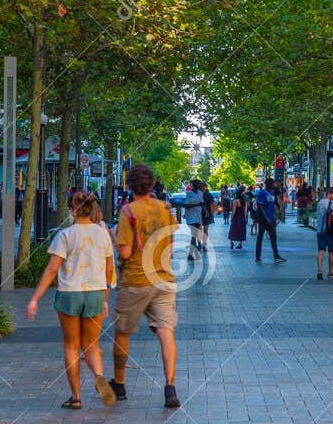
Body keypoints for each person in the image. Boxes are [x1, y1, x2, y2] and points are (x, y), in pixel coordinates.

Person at [27, 189, 116, 410]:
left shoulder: (65, 235)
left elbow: (51, 270)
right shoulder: (102, 233)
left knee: (71, 346)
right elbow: (109, 269)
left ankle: (76, 397)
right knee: (92, 345)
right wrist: (105, 297)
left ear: (72, 209)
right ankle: (99, 375)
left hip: (70, 294)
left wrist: (35, 298)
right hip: (95, 292)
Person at [112, 164, 182, 409]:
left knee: (123, 332)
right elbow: (171, 246)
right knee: (166, 333)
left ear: (129, 186)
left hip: (136, 280)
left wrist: (114, 239)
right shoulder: (165, 208)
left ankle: (119, 384)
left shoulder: (128, 211)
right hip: (163, 279)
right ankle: (170, 387)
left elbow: (125, 250)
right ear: (152, 185)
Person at [252, 180, 283, 263]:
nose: (274, 185)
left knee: (273, 237)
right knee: (260, 237)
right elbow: (261, 206)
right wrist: (266, 218)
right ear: (268, 184)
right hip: (263, 219)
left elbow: (272, 205)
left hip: (272, 219)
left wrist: (277, 211)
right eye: (272, 183)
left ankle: (276, 255)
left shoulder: (272, 193)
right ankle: (257, 257)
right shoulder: (261, 193)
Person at [315, 187, 333, 279]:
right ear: (329, 194)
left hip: (320, 231)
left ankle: (319, 271)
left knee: (321, 251)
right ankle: (330, 272)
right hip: (330, 232)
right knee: (331, 252)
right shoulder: (331, 204)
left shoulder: (319, 203)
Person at [181, 181, 206, 260]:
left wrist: (205, 211)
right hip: (191, 217)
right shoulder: (189, 194)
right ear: (194, 185)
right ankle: (191, 254)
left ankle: (192, 254)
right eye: (198, 184)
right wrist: (197, 205)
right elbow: (186, 205)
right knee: (193, 235)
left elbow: (202, 203)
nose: (199, 186)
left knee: (196, 235)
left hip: (198, 216)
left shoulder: (200, 193)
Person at [228, 186, 249, 250]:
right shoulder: (244, 201)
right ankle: (240, 244)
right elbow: (245, 210)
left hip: (236, 217)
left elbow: (234, 211)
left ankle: (231, 242)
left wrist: (231, 217)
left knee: (233, 229)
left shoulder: (235, 201)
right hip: (242, 216)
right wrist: (245, 217)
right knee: (241, 230)